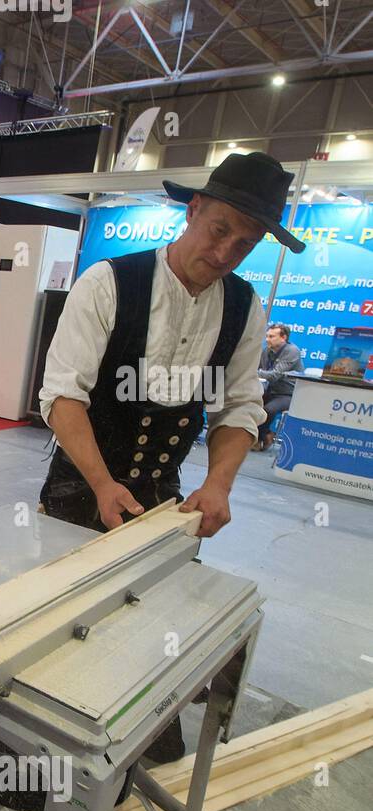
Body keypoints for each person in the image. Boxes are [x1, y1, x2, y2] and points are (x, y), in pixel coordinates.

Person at [37, 150, 303, 761]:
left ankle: (133, 751)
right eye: (219, 231)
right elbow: (61, 398)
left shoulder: (243, 306)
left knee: (145, 639)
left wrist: (219, 485)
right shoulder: (108, 283)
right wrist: (103, 483)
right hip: (79, 491)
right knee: (60, 643)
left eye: (246, 243)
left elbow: (238, 409)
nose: (226, 252)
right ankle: (55, 757)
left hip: (164, 508)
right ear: (194, 208)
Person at [256, 321, 302, 450]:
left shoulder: (292, 351)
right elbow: (261, 370)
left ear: (283, 337)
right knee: (249, 403)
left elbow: (275, 375)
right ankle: (266, 435)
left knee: (268, 410)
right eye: (267, 336)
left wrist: (254, 372)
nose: (267, 339)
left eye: (271, 336)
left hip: (287, 393)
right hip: (269, 390)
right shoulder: (266, 351)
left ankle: (259, 439)